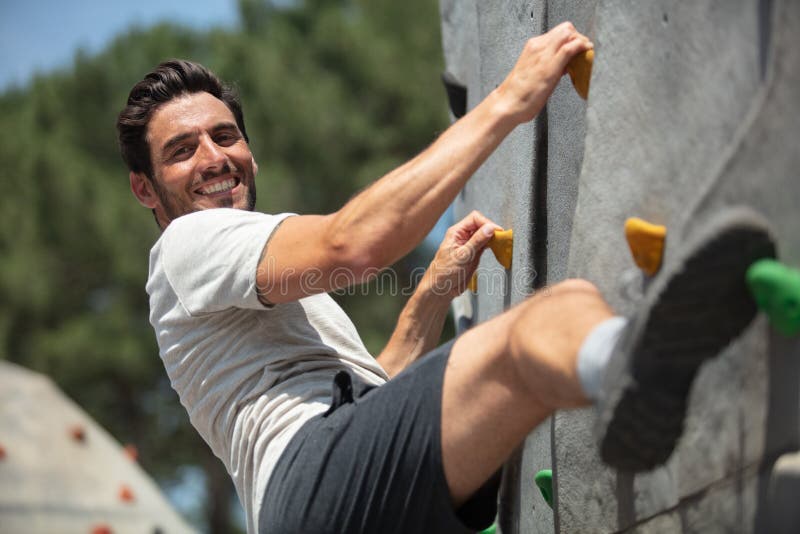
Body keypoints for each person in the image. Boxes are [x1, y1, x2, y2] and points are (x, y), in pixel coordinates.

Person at [117, 21, 774, 533]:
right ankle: (632, 367)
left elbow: (378, 391)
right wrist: (509, 101)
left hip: (337, 499)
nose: (214, 158)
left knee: (529, 358)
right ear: (145, 190)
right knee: (550, 320)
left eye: (225, 136)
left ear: (249, 149)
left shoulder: (239, 288)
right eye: (181, 150)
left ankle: (627, 368)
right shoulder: (187, 243)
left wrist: (431, 294)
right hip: (309, 481)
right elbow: (353, 246)